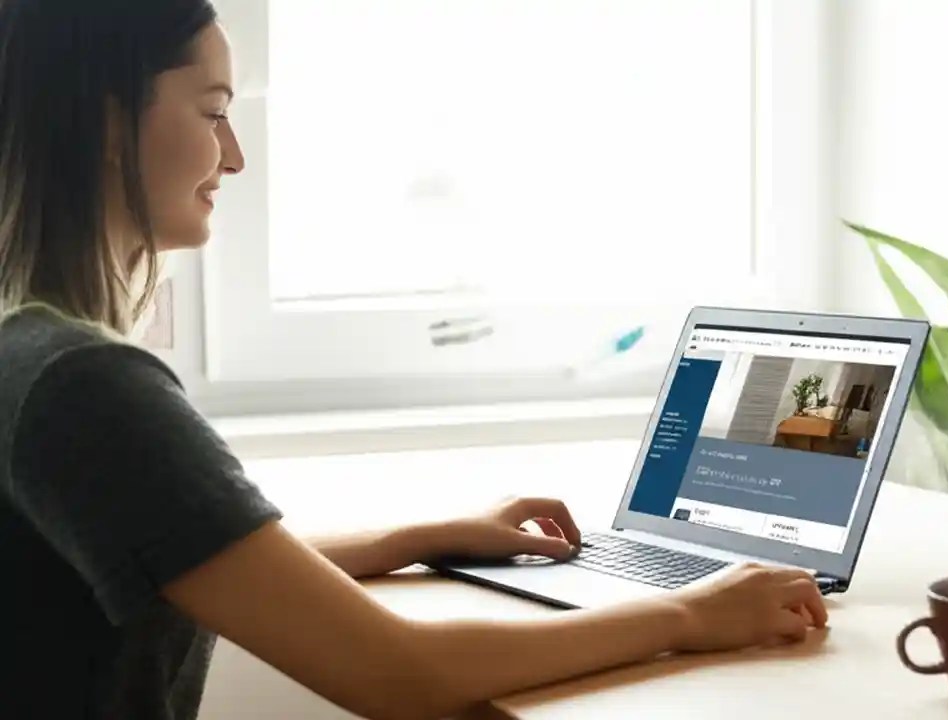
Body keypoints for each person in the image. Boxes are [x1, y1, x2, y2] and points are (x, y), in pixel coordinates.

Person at [0, 2, 829, 719]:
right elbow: (400, 674)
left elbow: (202, 561)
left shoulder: (25, 349)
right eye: (212, 112)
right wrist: (688, 617)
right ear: (109, 121)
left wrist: (419, 537)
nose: (236, 155)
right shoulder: (85, 387)